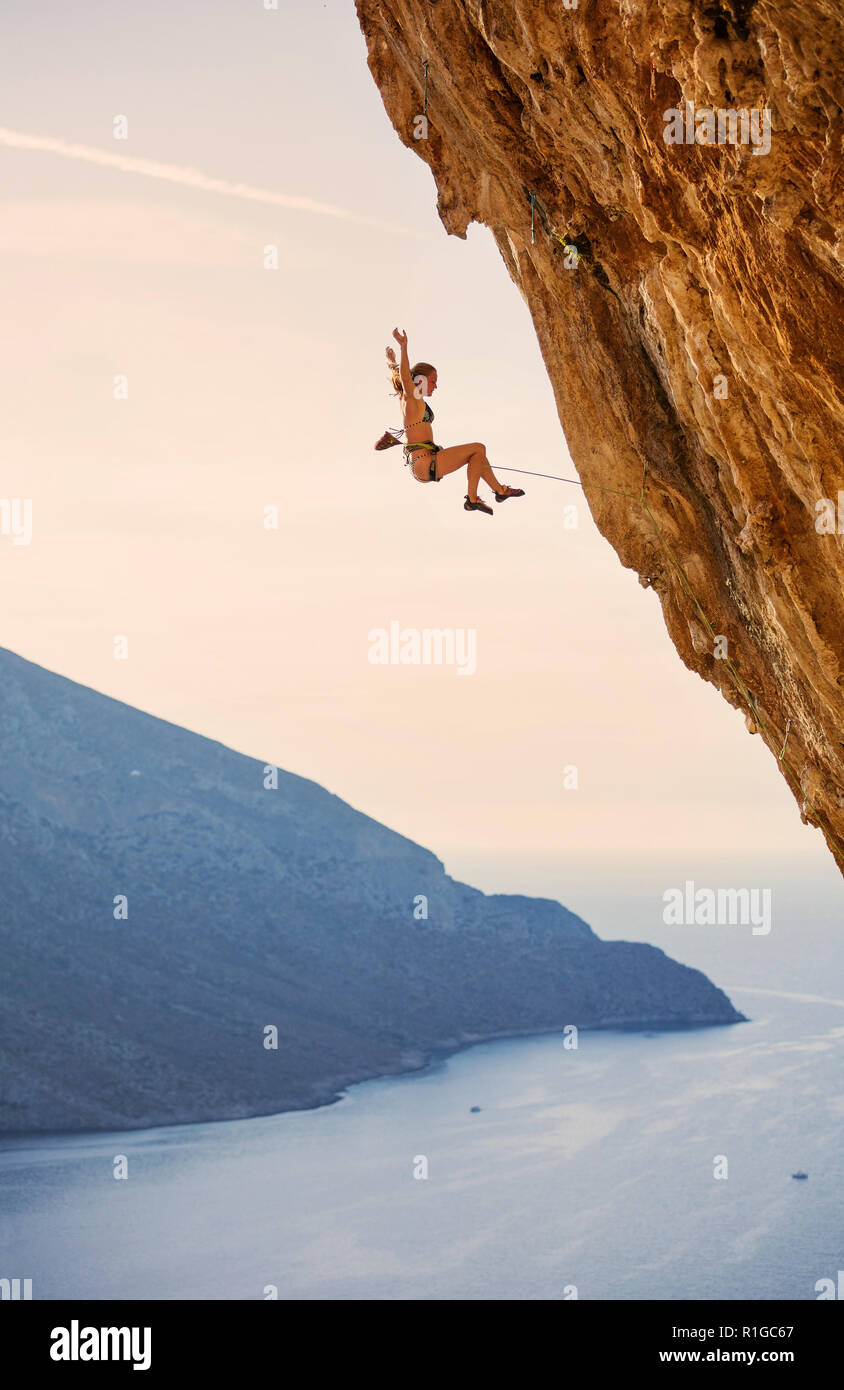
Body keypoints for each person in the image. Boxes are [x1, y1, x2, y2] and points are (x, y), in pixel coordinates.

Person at [374, 328, 525, 515]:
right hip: (424, 462)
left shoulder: (412, 400)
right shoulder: (412, 399)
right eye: (433, 381)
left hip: (425, 462)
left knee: (478, 457)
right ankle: (472, 499)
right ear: (420, 380)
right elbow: (406, 377)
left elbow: (402, 375)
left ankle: (500, 491)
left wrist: (392, 362)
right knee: (479, 447)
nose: (436, 386)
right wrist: (404, 347)